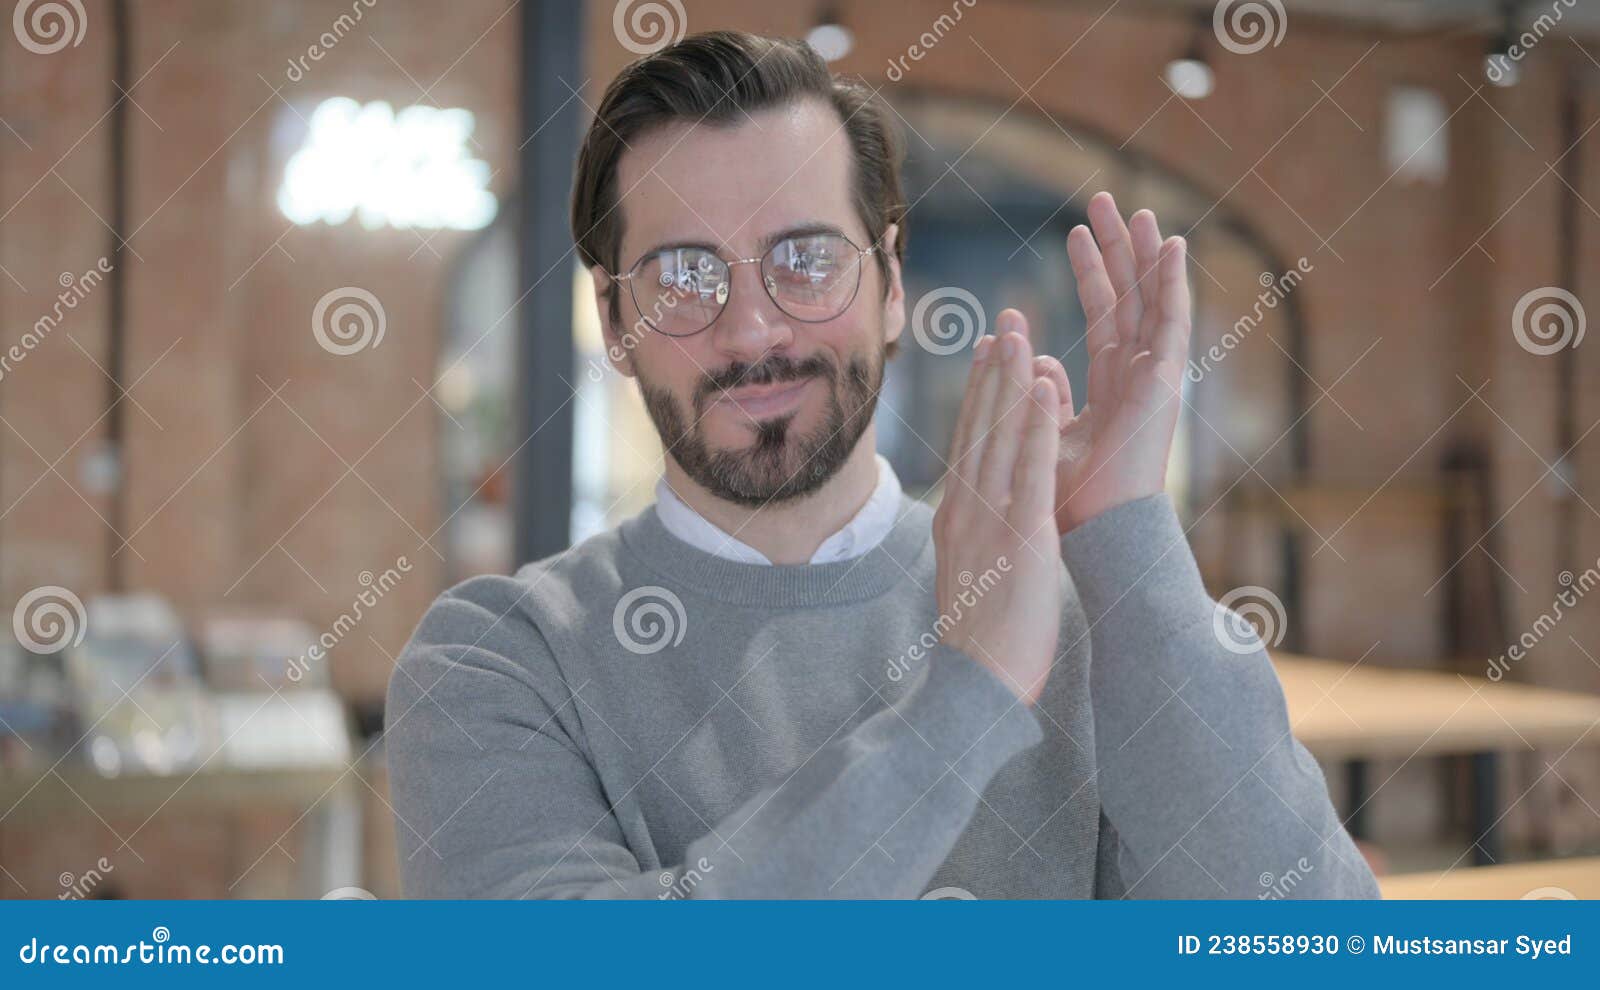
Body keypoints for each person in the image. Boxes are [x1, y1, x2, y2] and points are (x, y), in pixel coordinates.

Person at [384, 30, 1378, 899]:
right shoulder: (499, 664)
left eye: (807, 257)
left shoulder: (1079, 612)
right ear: (613, 320)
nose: (753, 327)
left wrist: (1126, 530)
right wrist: (967, 699)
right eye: (684, 275)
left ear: (891, 283)